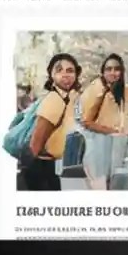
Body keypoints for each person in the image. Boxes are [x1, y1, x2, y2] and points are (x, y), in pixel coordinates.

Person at [24, 53, 81, 191]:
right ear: (51, 75)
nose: (65, 75)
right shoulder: (54, 100)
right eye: (59, 70)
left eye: (70, 71)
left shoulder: (68, 98)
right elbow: (35, 145)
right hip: (43, 169)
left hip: (54, 166)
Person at [77, 54, 128, 190]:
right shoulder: (97, 89)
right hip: (97, 146)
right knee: (99, 187)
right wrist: (113, 131)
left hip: (111, 145)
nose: (113, 72)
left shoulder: (117, 90)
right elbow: (87, 122)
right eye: (109, 69)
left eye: (117, 69)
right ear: (103, 72)